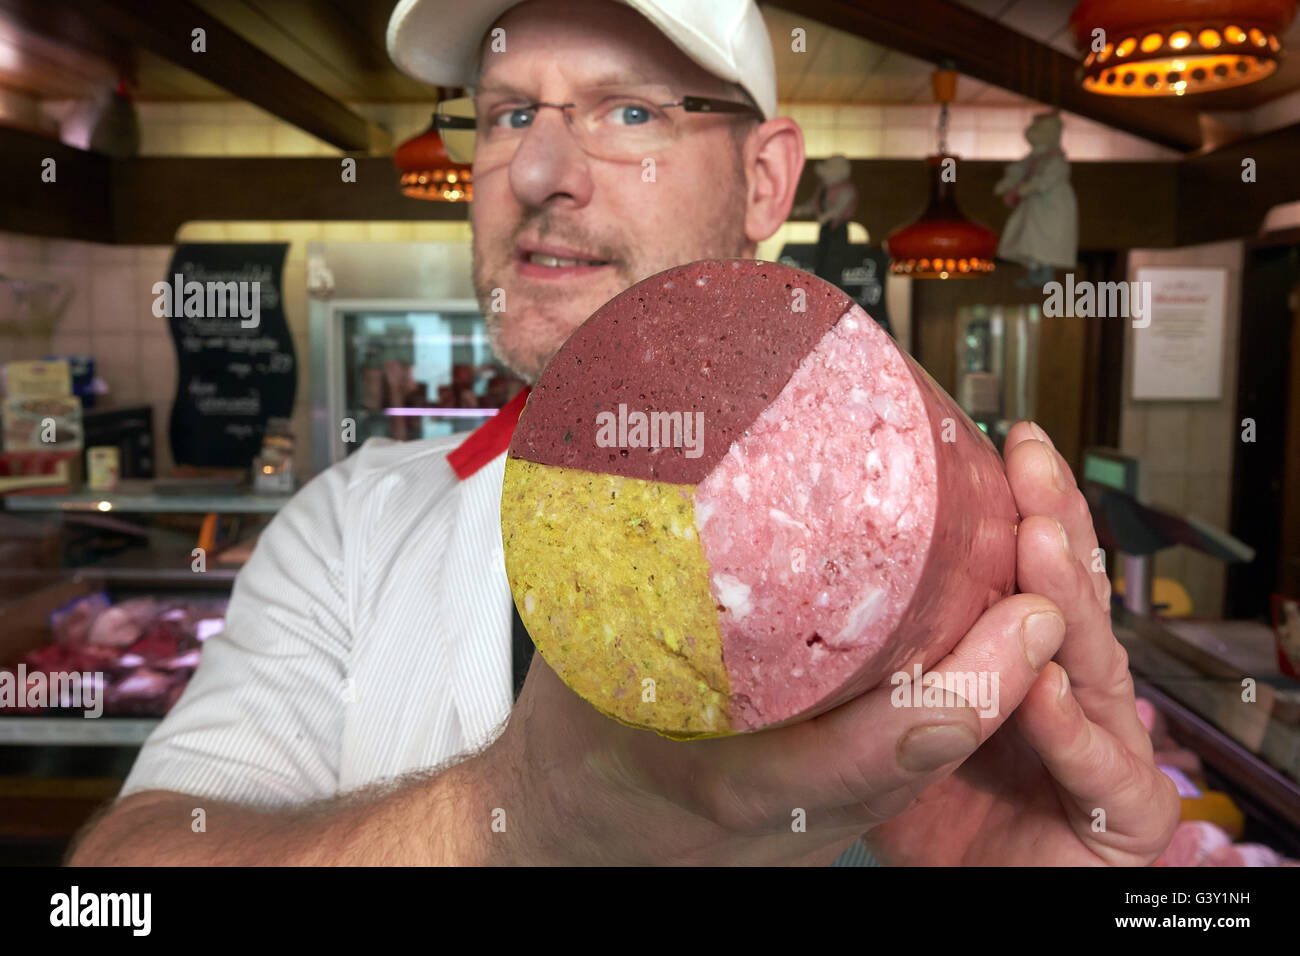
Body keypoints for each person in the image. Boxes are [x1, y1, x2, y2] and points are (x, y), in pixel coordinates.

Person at [69, 0, 1179, 866]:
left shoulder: (934, 519)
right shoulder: (352, 523)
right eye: (506, 115)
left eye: (631, 111)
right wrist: (529, 813)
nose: (539, 174)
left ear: (763, 181)